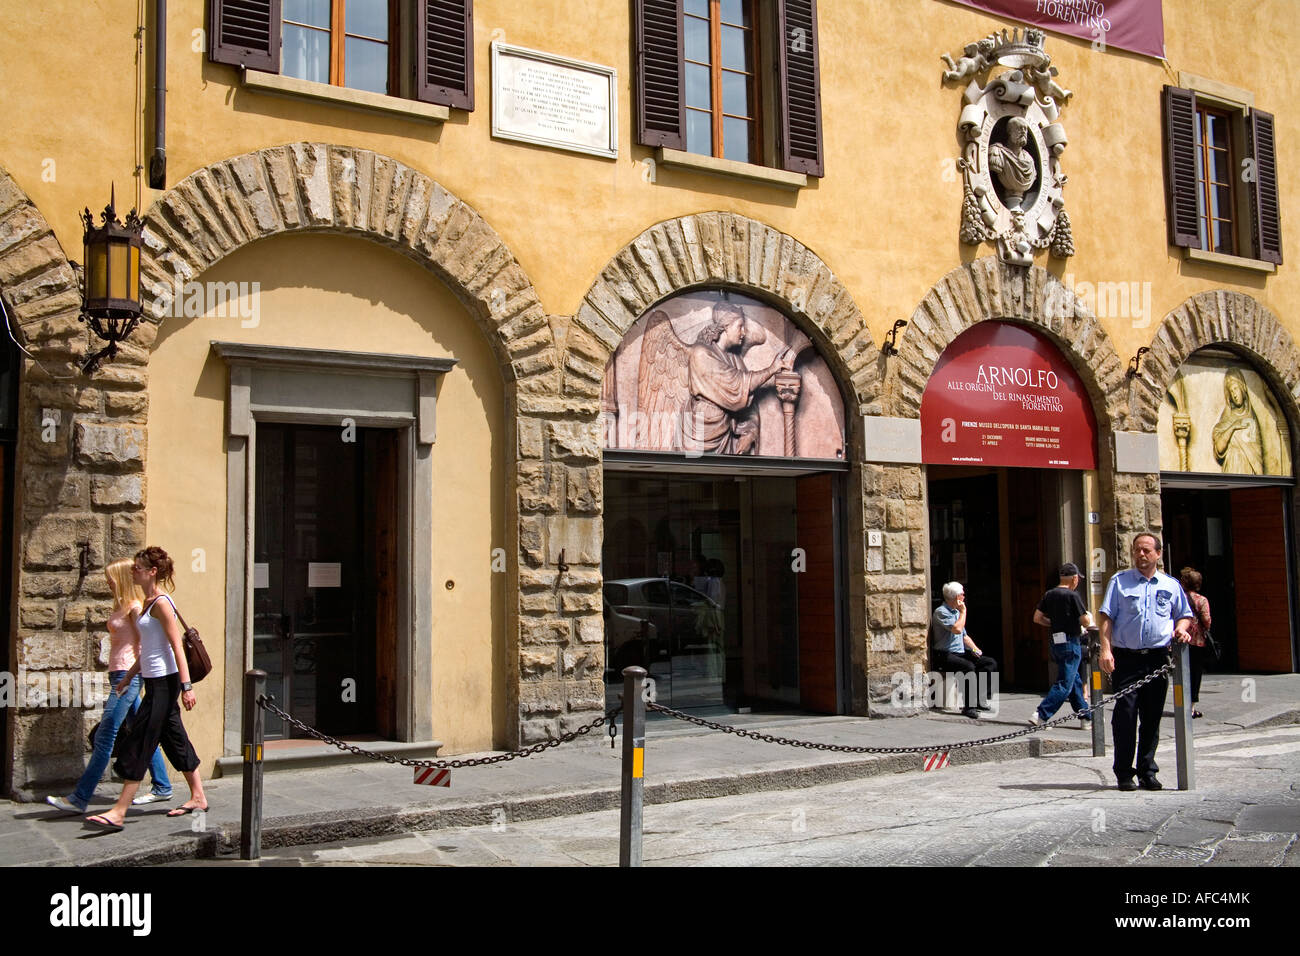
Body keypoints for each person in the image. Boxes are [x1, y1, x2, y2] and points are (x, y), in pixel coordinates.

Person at [84, 546, 207, 830]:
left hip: (166, 683)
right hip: (152, 681)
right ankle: (198, 796)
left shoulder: (162, 602)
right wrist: (128, 677)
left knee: (142, 739)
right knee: (174, 738)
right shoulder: (148, 601)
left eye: (138, 568)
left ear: (152, 572)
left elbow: (177, 647)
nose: (133, 572)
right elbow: (149, 649)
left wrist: (187, 686)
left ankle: (119, 810)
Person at [45, 559, 173, 814]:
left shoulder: (135, 608)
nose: (107, 581)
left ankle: (80, 798)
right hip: (119, 676)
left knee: (106, 736)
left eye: (110, 577)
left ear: (121, 578)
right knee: (143, 731)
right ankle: (162, 785)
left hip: (128, 676)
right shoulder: (121, 605)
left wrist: (131, 677)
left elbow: (145, 645)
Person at [1098, 533, 1193, 792]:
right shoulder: (1120, 582)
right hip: (1127, 659)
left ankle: (1147, 771)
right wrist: (1106, 651)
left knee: (1151, 717)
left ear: (1158, 554)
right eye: (1137, 550)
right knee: (1125, 716)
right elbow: (1106, 617)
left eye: (1146, 550)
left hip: (1157, 660)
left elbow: (1184, 615)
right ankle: (1124, 773)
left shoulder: (1171, 585)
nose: (1141, 555)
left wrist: (1181, 630)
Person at [683, 301, 794, 455]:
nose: (743, 333)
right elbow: (738, 384)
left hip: (726, 432)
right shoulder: (701, 353)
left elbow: (750, 404)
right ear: (726, 327)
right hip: (700, 433)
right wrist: (771, 369)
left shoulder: (734, 359)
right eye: (740, 326)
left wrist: (750, 433)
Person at [1029, 562, 1094, 728]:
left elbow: (1037, 618)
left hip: (1056, 641)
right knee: (1065, 682)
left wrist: (1052, 623)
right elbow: (1085, 620)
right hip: (1071, 641)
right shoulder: (1073, 596)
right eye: (1078, 578)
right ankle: (1041, 714)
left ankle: (1085, 717)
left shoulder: (1049, 594)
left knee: (1074, 679)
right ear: (1074, 579)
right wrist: (1084, 620)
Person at [929, 581, 998, 719]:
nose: (964, 597)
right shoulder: (941, 612)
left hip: (959, 652)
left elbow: (964, 636)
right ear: (956, 597)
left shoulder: (956, 612)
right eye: (962, 594)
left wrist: (976, 650)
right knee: (968, 667)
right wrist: (963, 612)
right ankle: (969, 707)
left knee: (989, 663)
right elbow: (957, 629)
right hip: (944, 654)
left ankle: (980, 699)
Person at [1212, 368, 1264, 474]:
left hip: (1250, 472)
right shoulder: (1227, 420)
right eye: (1231, 391)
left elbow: (1257, 454)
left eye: (1235, 388)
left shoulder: (1252, 420)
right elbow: (1219, 448)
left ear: (1242, 388)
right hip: (1233, 466)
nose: (1234, 394)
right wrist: (1233, 427)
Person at [1179, 567, 1213, 719]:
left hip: (1180, 640)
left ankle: (1180, 704)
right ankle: (1191, 708)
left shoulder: (1179, 598)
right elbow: (1206, 620)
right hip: (1197, 641)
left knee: (1181, 673)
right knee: (1195, 674)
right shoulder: (1201, 600)